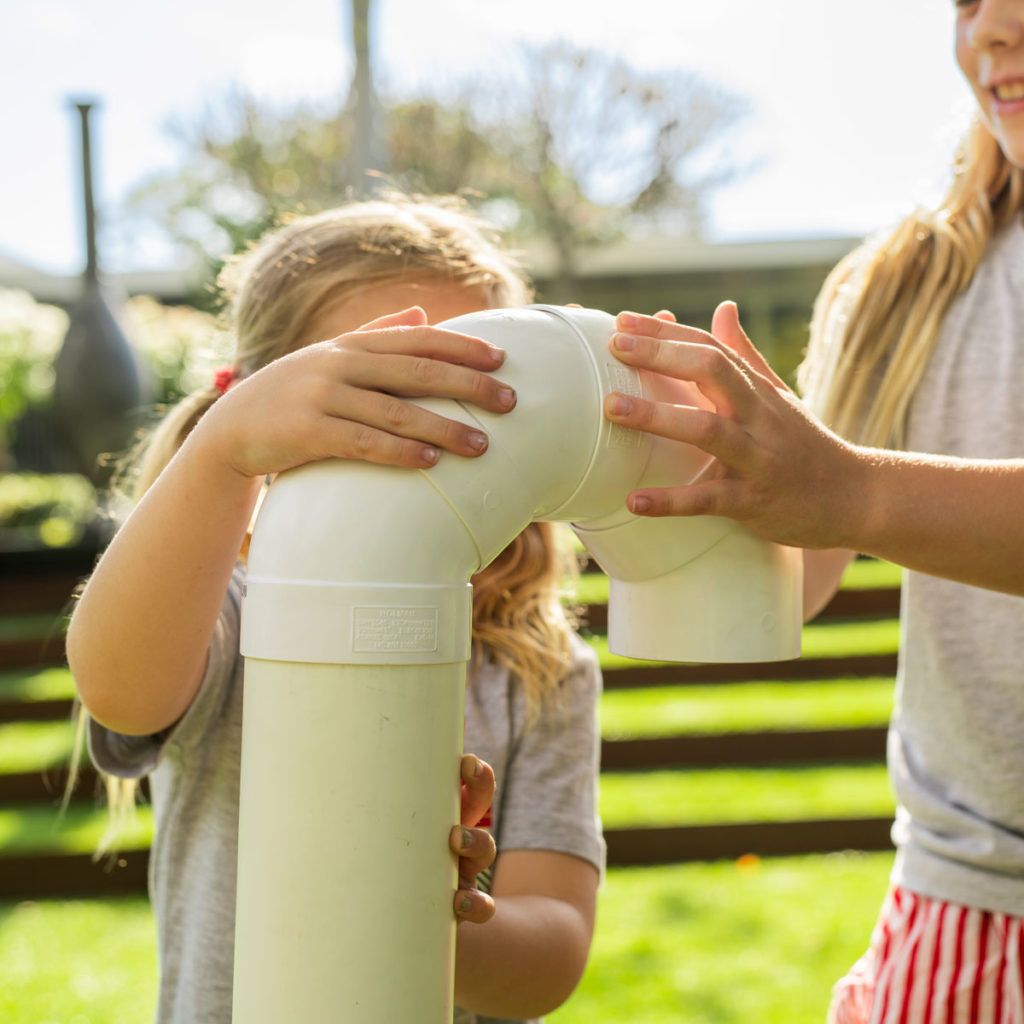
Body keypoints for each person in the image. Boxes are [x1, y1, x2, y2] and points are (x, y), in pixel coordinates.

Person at [66, 194, 603, 1024]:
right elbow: (120, 687)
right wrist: (221, 451)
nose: (429, 431)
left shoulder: (537, 665)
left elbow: (552, 956)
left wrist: (415, 909)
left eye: (483, 392)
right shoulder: (237, 612)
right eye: (381, 394)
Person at [602, 2, 1024, 1020]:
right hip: (966, 908)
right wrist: (660, 469)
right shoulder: (903, 281)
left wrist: (853, 485)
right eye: (967, 1)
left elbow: (851, 499)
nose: (993, 30)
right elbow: (794, 581)